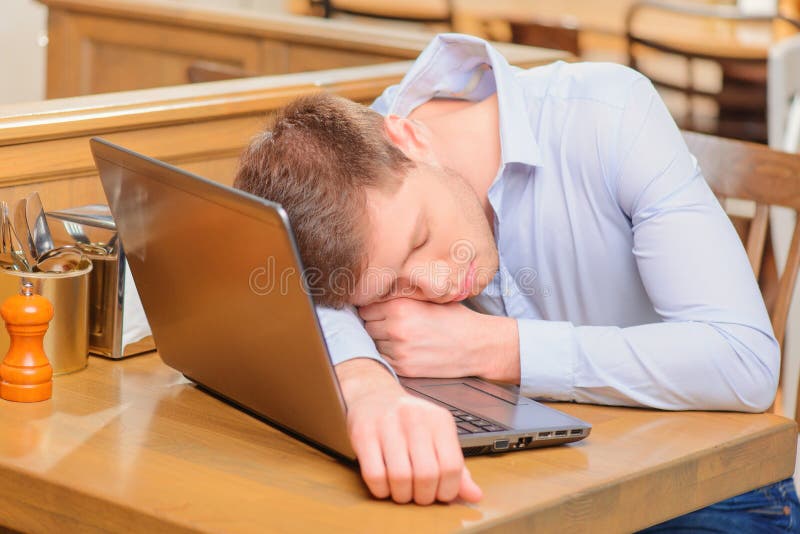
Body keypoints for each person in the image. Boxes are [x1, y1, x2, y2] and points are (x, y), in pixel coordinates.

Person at [234, 33, 798, 529]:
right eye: (389, 290)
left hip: (704, 490)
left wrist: (495, 346)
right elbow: (306, 289)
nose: (433, 285)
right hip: (530, 488)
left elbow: (744, 360)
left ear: (411, 139)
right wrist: (366, 385)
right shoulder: (356, 174)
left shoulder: (607, 114)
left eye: (417, 240)